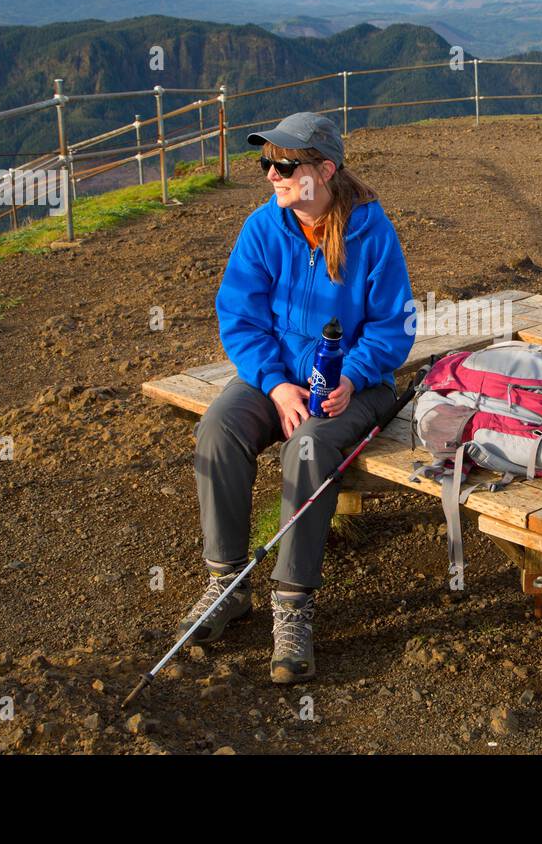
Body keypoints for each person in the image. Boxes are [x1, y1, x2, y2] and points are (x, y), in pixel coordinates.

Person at [180, 111, 414, 684]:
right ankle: (228, 585)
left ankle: (292, 606)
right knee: (218, 427)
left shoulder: (371, 232)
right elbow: (239, 317)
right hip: (278, 375)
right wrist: (277, 383)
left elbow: (394, 326)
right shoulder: (263, 228)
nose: (270, 174)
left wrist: (353, 377)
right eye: (266, 162)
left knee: (307, 449)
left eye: (284, 164)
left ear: (325, 170)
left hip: (354, 387)